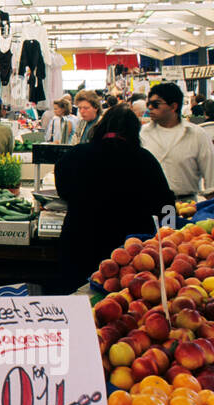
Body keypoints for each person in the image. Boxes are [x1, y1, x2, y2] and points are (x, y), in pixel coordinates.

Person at [56, 105, 175, 289]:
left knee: (77, 302)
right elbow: (166, 206)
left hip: (80, 244)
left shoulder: (74, 156)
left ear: (101, 127)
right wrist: (171, 239)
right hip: (128, 257)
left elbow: (63, 191)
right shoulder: (145, 160)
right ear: (135, 132)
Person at [140, 83, 214, 200]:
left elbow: (212, 178)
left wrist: (213, 208)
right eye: (148, 103)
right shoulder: (142, 134)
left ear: (173, 107)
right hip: (150, 206)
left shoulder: (197, 135)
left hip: (186, 206)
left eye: (156, 104)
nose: (150, 107)